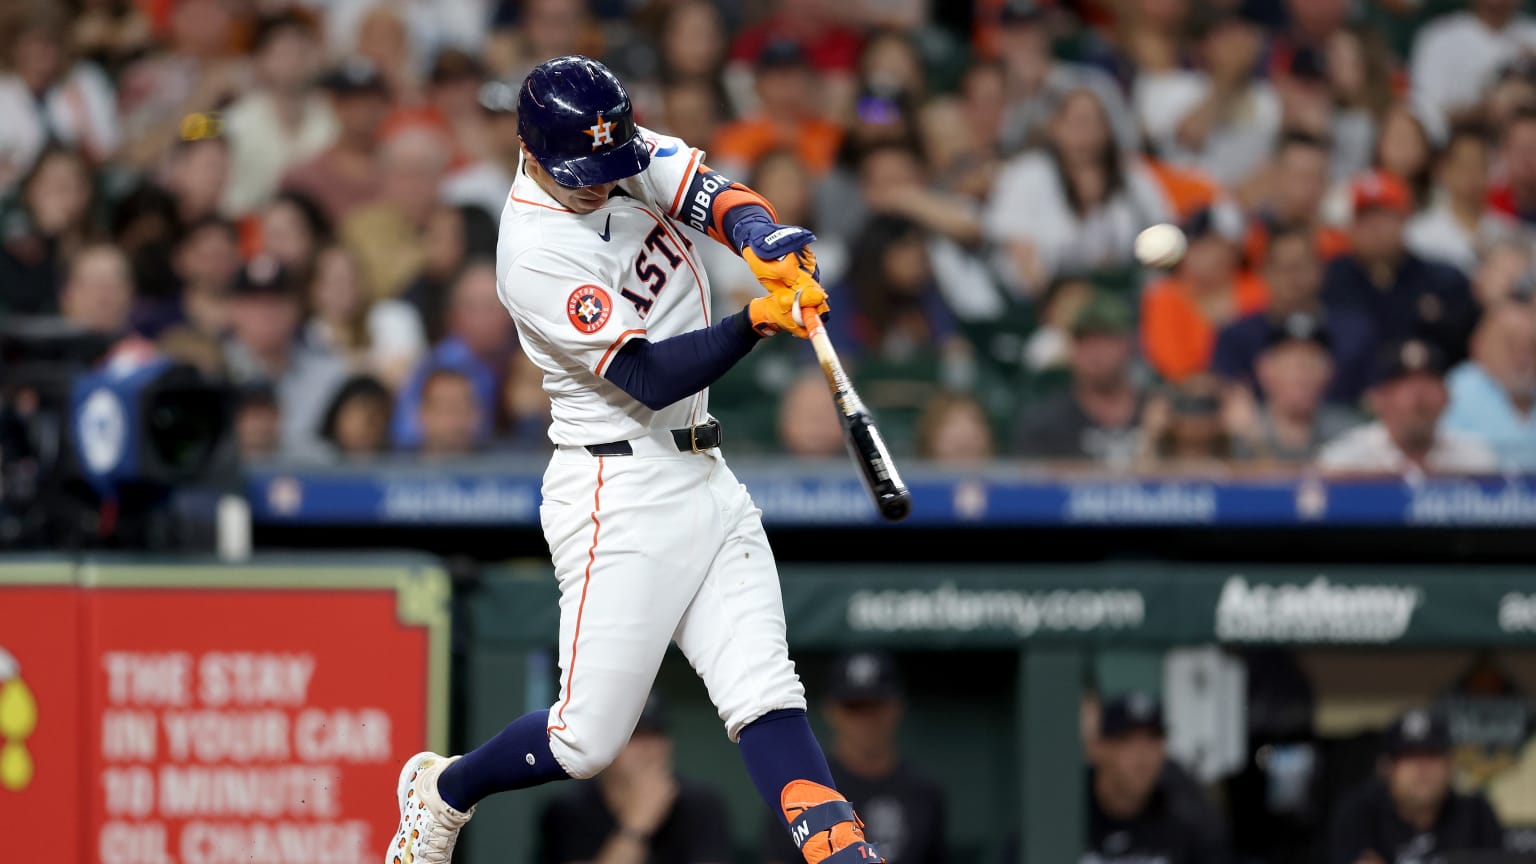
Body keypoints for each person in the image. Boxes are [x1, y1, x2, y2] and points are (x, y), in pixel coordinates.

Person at [386, 56, 882, 864]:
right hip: (618, 487)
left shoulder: (608, 146)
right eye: (582, 171)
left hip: (705, 473)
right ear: (530, 148)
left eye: (607, 163)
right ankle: (445, 790)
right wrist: (759, 315)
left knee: (764, 690)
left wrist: (761, 236)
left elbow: (707, 190)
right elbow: (647, 377)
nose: (601, 181)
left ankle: (843, 853)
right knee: (586, 742)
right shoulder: (535, 253)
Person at [761, 652, 947, 864]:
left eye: (875, 706)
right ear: (831, 710)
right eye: (854, 706)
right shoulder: (806, 791)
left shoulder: (924, 793)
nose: (865, 719)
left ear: (897, 707)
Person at [537, 691, 735, 864]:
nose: (649, 749)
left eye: (656, 734)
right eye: (634, 736)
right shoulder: (569, 808)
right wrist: (636, 826)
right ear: (604, 744)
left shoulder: (701, 804)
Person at [1320, 171, 1479, 369]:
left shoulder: (1443, 280)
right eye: (1366, 218)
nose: (1376, 228)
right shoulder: (1329, 277)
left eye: (1386, 217)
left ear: (1405, 220)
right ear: (1352, 226)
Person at [1212, 227, 1376, 404]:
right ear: (1263, 273)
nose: (1292, 276)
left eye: (1301, 265)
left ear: (1321, 270)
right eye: (1282, 267)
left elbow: (1372, 398)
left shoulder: (1355, 332)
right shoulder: (1235, 337)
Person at [1328, 709, 1506, 864]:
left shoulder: (1477, 814)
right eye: (1410, 756)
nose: (1422, 768)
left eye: (1432, 755)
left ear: (1451, 766)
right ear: (1386, 768)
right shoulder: (1359, 812)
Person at [222, 256, 350, 463]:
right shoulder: (214, 370)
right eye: (254, 302)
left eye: (277, 302)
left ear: (297, 308)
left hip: (315, 485)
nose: (266, 313)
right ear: (233, 309)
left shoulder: (330, 374)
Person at [1317, 339, 1500, 476]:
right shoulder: (1344, 462)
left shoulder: (1476, 459)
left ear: (1447, 397)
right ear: (1378, 398)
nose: (1419, 397)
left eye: (1429, 382)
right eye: (1404, 385)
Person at [1083, 693, 1229, 864]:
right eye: (1127, 740)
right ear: (1097, 748)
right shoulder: (1069, 807)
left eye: (1153, 738)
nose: (1142, 756)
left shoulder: (1190, 812)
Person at [218, 11, 337, 217]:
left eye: (301, 52)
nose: (293, 62)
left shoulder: (337, 119)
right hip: (246, 229)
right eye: (282, 53)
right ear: (260, 61)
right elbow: (187, 132)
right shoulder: (232, 120)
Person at [1013, 292, 1144, 469]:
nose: (1094, 352)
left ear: (1127, 344)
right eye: (1083, 340)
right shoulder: (1047, 425)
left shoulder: (1159, 415)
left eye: (1105, 338)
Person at [1224, 314, 1359, 463]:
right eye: (1290, 363)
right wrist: (1241, 436)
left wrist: (1257, 445)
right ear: (1265, 370)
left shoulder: (1350, 433)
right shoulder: (1235, 430)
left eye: (1312, 362)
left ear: (1329, 372)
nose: (1301, 375)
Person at [281, 60, 393, 223]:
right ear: (335, 104)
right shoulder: (307, 176)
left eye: (371, 100)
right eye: (351, 102)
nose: (362, 109)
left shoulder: (403, 170)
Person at [1404, 124, 1516, 276]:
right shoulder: (1417, 234)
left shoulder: (1510, 232)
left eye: (1479, 165)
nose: (1471, 174)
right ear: (1443, 169)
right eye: (1463, 165)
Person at [1441, 301, 1536, 470]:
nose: (1523, 357)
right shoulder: (1456, 390)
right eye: (1511, 345)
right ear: (1479, 346)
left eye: (1532, 347)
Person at [1410, 0, 1536, 123]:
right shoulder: (1439, 37)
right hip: (1459, 139)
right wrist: (1485, 110)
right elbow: (1426, 115)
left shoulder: (1532, 35)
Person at [416, 367, 484, 459]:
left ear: (477, 415)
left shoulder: (498, 466)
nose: (453, 418)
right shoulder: (399, 468)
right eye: (444, 408)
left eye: (461, 408)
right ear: (422, 415)